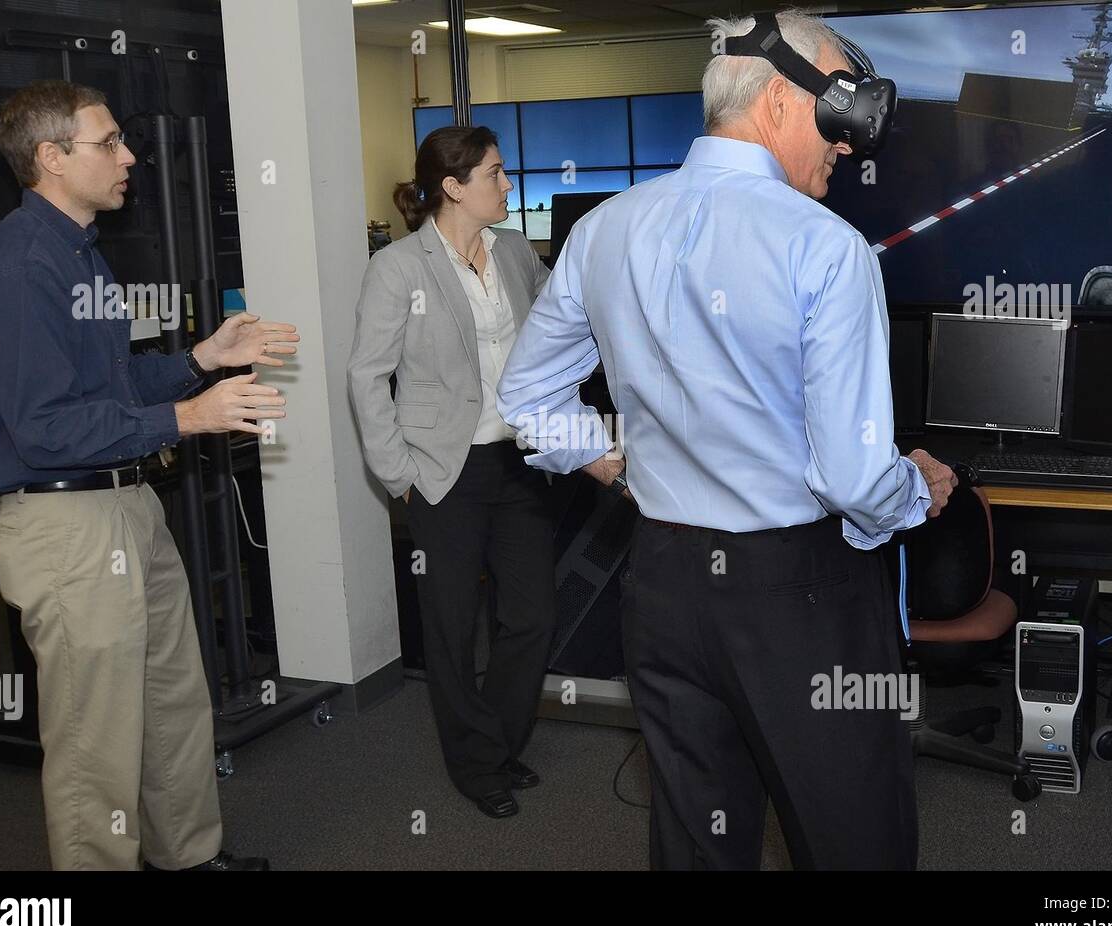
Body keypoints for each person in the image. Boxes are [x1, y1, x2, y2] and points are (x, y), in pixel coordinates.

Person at [496, 10, 956, 869]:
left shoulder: (604, 230)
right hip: (803, 595)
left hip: (664, 584)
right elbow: (854, 478)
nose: (849, 146)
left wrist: (625, 467)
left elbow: (524, 398)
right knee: (856, 838)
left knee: (698, 839)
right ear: (782, 101)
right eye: (840, 114)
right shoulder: (828, 249)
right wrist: (914, 488)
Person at [0, 79, 299, 870]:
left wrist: (200, 361)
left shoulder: (82, 255)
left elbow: (108, 390)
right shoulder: (11, 269)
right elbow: (44, 428)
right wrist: (191, 417)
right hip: (63, 523)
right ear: (50, 157)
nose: (128, 155)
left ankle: (188, 855)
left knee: (173, 702)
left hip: (128, 503)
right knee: (94, 742)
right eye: (108, 142)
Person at [348, 126, 557, 819]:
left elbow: (556, 327)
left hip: (519, 461)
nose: (507, 184)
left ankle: (496, 740)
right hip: (444, 470)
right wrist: (397, 472)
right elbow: (366, 376)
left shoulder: (515, 252)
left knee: (530, 615)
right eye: (495, 174)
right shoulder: (399, 269)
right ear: (453, 186)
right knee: (451, 622)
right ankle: (475, 764)